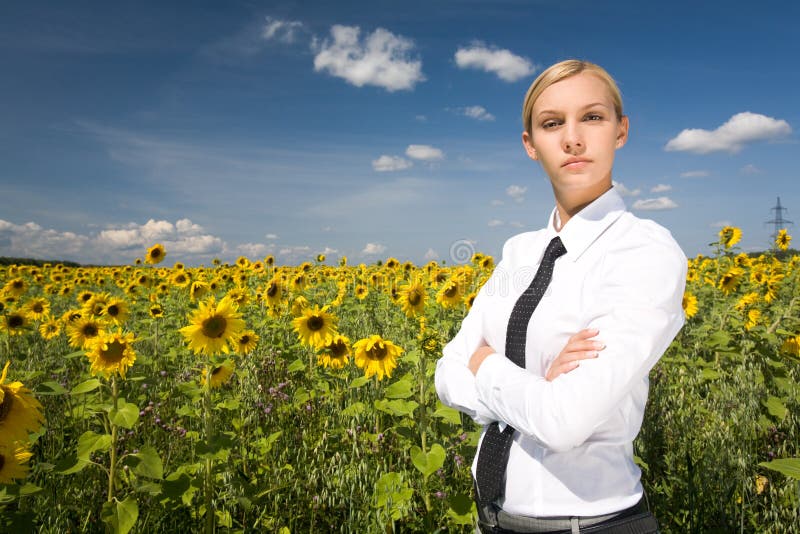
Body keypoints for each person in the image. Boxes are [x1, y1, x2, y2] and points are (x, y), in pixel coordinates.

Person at [434, 59, 686, 533]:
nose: (572, 138)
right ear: (531, 145)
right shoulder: (519, 253)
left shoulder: (643, 251)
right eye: (552, 123)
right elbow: (446, 374)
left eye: (592, 117)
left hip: (590, 523)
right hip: (492, 520)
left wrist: (486, 363)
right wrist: (536, 384)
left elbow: (564, 420)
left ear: (621, 131)